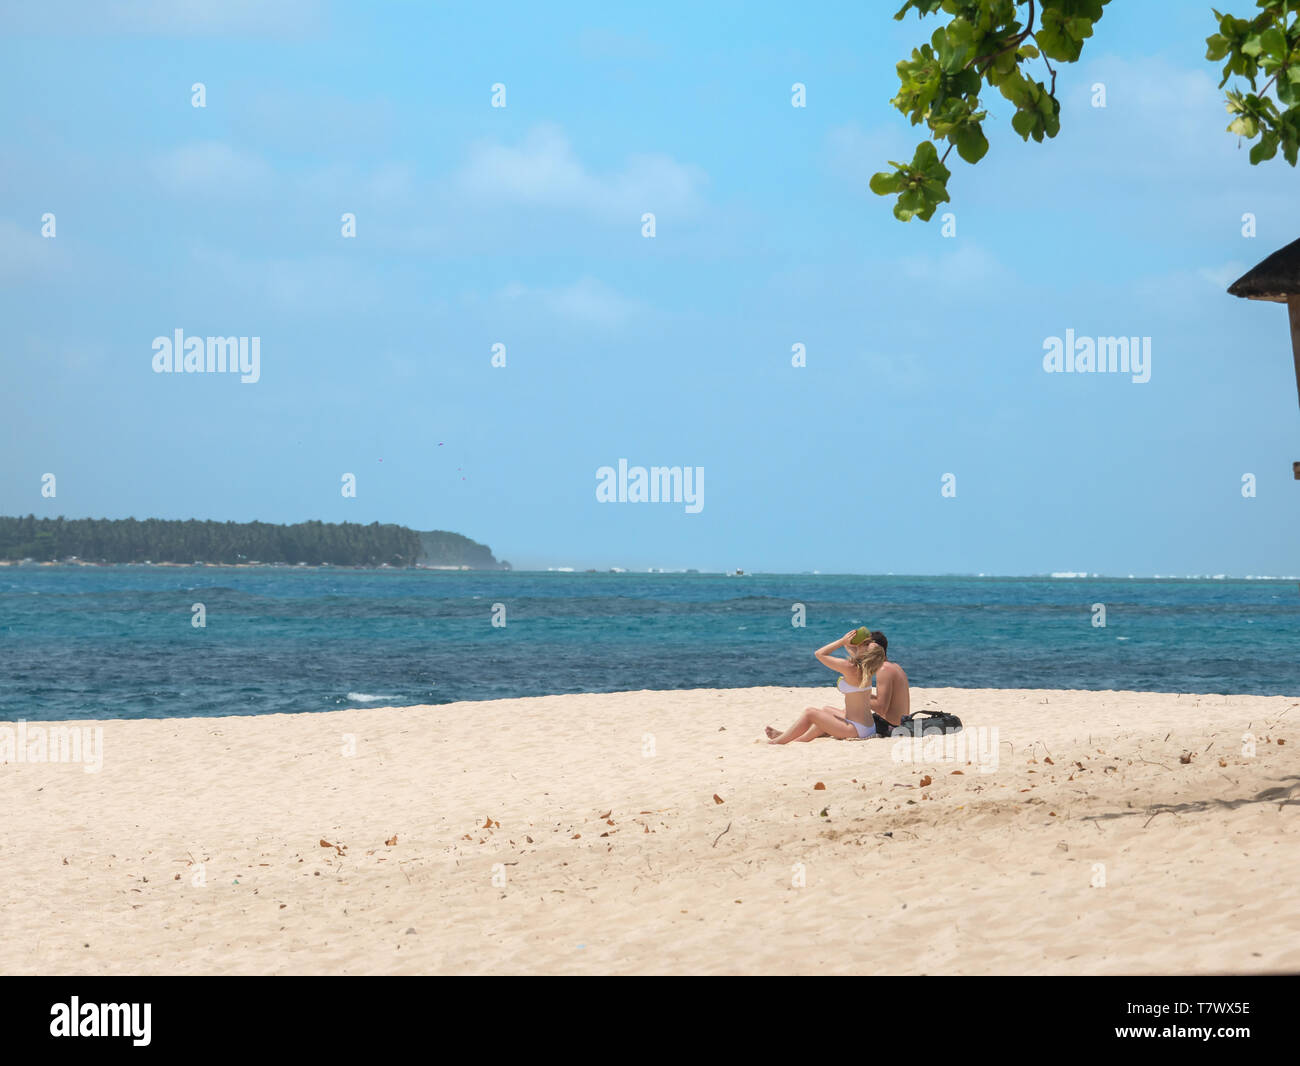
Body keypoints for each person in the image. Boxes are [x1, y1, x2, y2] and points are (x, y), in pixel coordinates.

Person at [766, 628, 887, 743]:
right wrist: (850, 641)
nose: (863, 643)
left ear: (866, 655)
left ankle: (778, 741)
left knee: (810, 712)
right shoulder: (867, 669)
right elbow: (853, 651)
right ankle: (797, 739)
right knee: (826, 710)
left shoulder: (850, 667)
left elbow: (819, 654)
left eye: (866, 644)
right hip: (867, 727)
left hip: (856, 730)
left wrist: (842, 641)